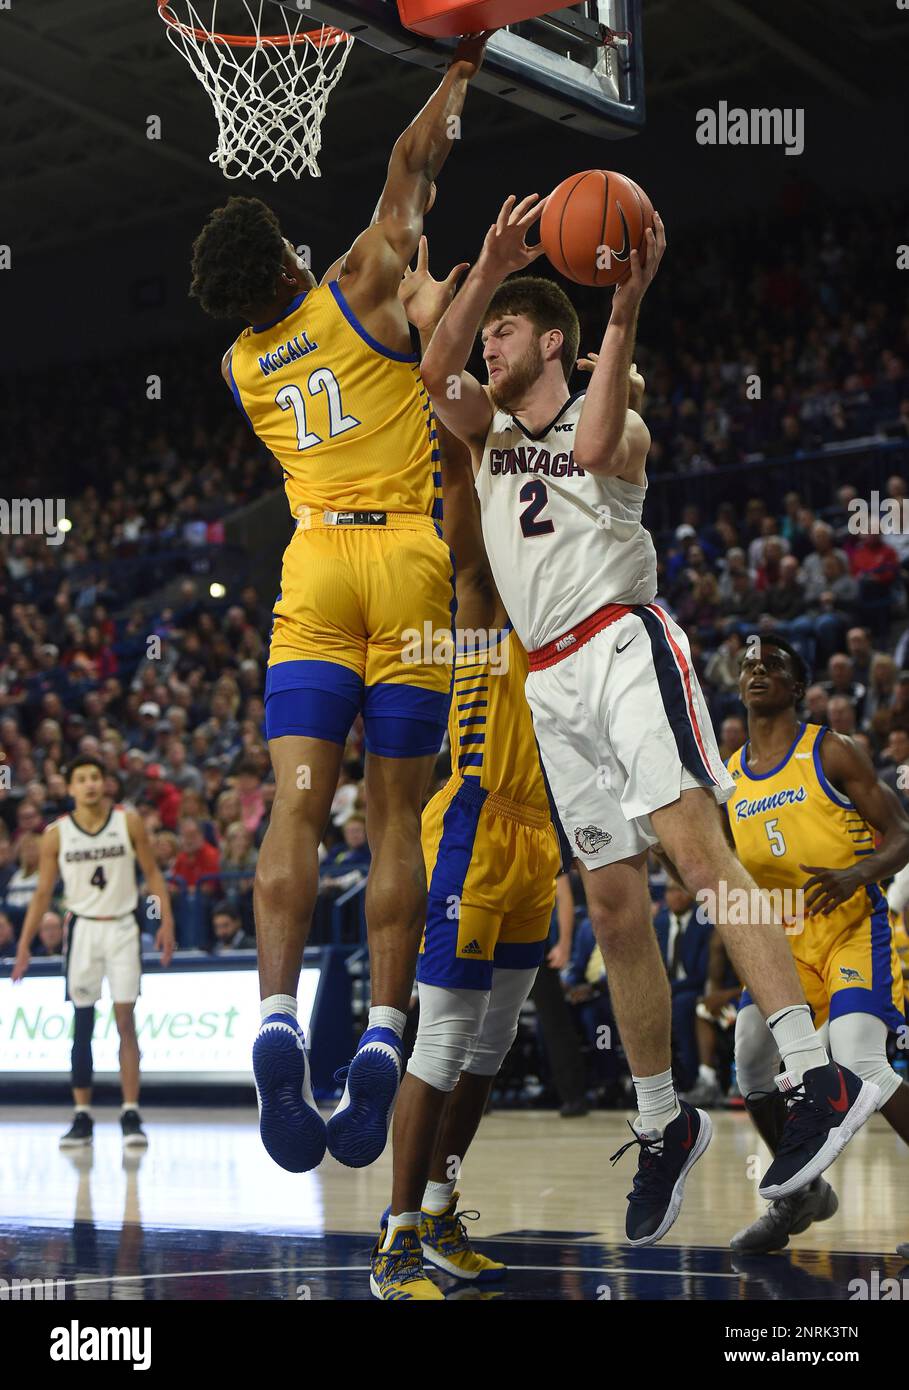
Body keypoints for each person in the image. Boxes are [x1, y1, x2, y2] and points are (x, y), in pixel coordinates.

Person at [419, 194, 877, 1246]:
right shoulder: (483, 427)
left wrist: (623, 306)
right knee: (620, 911)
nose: (485, 341)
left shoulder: (619, 418)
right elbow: (434, 371)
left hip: (623, 643)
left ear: (553, 343)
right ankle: (664, 1121)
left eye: (503, 327)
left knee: (699, 861)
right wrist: (486, 268)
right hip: (547, 681)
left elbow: (582, 449)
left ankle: (815, 1078)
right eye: (487, 328)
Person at [189, 35, 488, 1176]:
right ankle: (379, 1029)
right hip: (404, 563)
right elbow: (416, 166)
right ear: (283, 255)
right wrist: (455, 75)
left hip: (312, 576)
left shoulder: (237, 369)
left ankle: (273, 1018)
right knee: (397, 821)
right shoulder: (362, 281)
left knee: (297, 810)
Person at [369, 242, 562, 1298]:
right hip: (475, 819)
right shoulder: (486, 563)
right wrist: (449, 305)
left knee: (490, 1047)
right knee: (442, 1040)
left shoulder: (566, 560)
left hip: (539, 832)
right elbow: (458, 443)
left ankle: (440, 1214)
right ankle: (394, 1236)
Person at [726, 635, 909, 1254]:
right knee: (749, 1054)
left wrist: (860, 872)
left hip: (853, 929)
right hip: (783, 944)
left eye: (772, 665)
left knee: (860, 1061)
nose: (757, 672)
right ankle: (799, 1191)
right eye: (749, 665)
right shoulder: (728, 776)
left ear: (798, 686)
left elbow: (902, 833)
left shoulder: (832, 751)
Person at [12, 756, 176, 1150]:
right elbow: (42, 892)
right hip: (82, 928)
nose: (89, 785)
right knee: (82, 1024)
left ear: (105, 784)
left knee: (125, 1020)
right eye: (81, 779)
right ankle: (82, 1116)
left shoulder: (128, 821)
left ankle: (130, 1111)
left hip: (122, 926)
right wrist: (23, 945)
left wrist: (163, 919)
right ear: (69, 788)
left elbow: (152, 873)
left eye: (95, 778)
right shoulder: (55, 834)